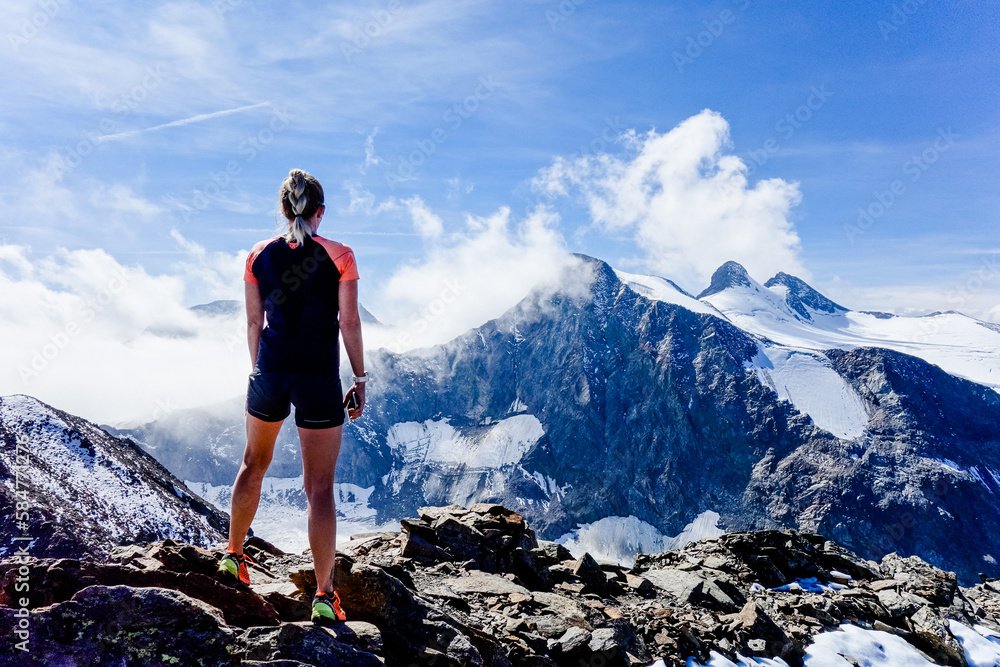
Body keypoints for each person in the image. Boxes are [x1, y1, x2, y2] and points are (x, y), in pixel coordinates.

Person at [217, 168, 367, 626]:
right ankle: (323, 596)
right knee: (319, 487)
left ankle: (233, 556)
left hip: (269, 370)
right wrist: (360, 379)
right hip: (319, 378)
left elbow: (251, 323)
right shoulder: (340, 255)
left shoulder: (257, 255)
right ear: (320, 211)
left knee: (252, 464)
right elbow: (349, 324)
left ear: (283, 210)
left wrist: (260, 367)